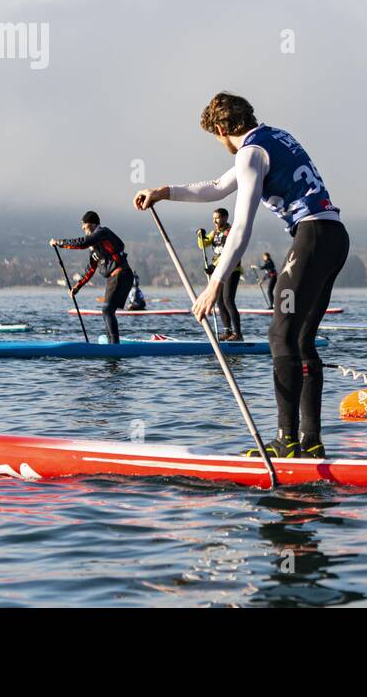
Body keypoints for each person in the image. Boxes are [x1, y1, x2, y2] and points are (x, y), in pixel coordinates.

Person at [133, 92, 348, 460]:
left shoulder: (249, 153)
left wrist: (214, 283)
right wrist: (162, 192)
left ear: (221, 129)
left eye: (216, 138)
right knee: (301, 342)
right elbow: (217, 187)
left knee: (280, 336)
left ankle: (286, 441)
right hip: (334, 238)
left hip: (311, 238)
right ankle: (311, 443)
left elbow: (242, 226)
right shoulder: (272, 138)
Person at [51, 212, 134, 344]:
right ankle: (112, 343)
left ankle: (114, 346)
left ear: (93, 223)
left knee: (107, 310)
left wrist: (59, 243)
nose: (82, 227)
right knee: (107, 311)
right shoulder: (93, 247)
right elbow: (90, 269)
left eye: (84, 224)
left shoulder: (102, 233)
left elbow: (82, 243)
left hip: (121, 275)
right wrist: (77, 287)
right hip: (114, 278)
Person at [197, 208, 244, 339]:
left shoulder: (231, 233)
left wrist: (214, 266)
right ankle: (227, 331)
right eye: (213, 218)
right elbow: (203, 245)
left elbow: (227, 253)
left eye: (217, 218)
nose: (215, 221)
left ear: (225, 218)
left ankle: (238, 334)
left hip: (232, 269)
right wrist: (200, 236)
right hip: (219, 269)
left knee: (228, 300)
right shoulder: (215, 232)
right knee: (220, 301)